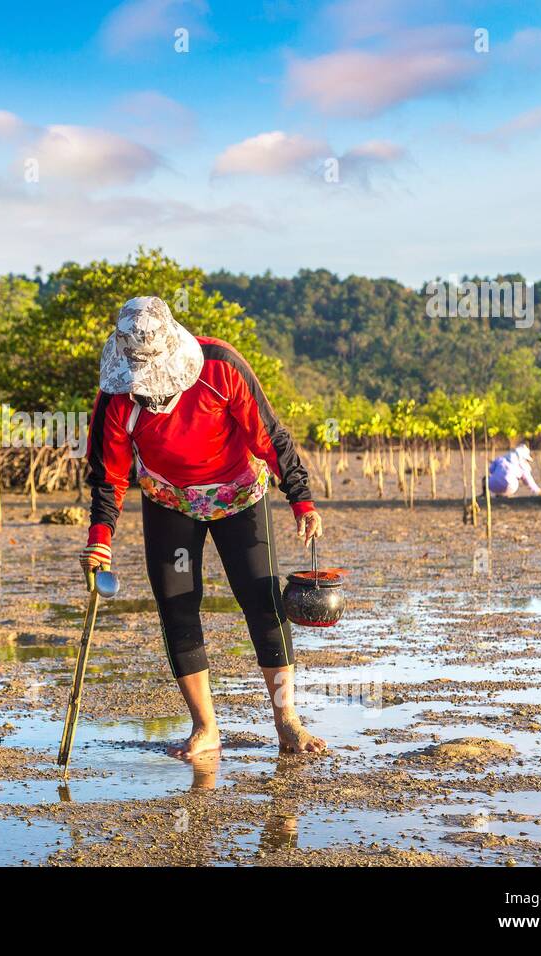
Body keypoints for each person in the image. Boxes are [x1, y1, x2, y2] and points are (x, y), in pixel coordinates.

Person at [79, 296, 326, 759]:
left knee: (262, 598)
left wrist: (301, 499)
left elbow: (269, 436)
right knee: (177, 605)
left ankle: (287, 720)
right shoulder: (116, 399)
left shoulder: (220, 368)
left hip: (237, 492)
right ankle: (205, 728)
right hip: (169, 499)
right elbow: (108, 475)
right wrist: (100, 540)